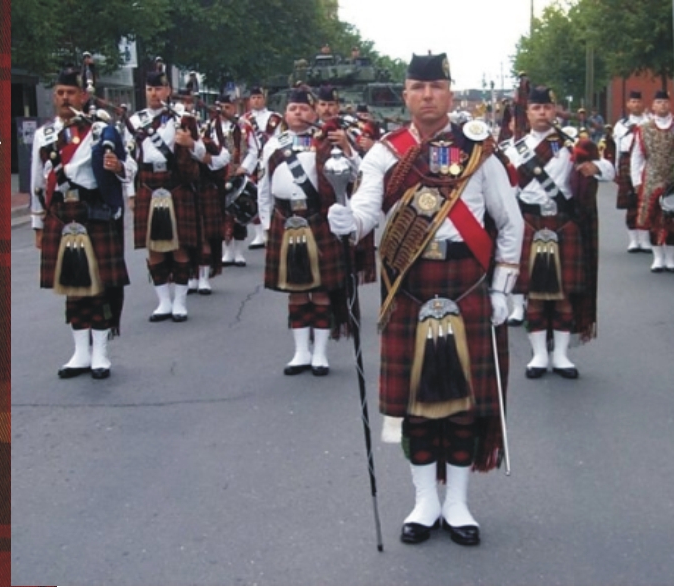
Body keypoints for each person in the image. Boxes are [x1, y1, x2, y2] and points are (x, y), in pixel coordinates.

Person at [327, 53, 523, 547]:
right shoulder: (385, 153)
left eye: (436, 86)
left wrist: (502, 289)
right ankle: (424, 501)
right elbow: (368, 207)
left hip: (468, 285)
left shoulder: (478, 150)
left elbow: (511, 223)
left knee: (464, 405)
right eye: (418, 86)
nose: (428, 95)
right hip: (407, 288)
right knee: (409, 406)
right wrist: (350, 221)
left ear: (450, 92)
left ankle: (457, 503)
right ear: (406, 94)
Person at [31, 67, 134, 380]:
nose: (64, 98)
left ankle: (101, 352)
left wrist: (118, 167)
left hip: (94, 213)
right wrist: (37, 224)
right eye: (60, 92)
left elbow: (130, 167)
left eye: (71, 93)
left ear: (83, 96)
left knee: (99, 287)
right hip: (61, 215)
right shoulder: (44, 135)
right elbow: (38, 181)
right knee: (73, 287)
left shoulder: (100, 129)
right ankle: (81, 353)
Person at [503, 85, 612, 379]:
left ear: (555, 111)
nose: (542, 113)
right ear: (527, 113)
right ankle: (539, 355)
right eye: (536, 108)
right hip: (529, 223)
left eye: (547, 108)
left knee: (563, 294)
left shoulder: (571, 144)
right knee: (534, 296)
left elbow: (610, 170)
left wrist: (594, 166)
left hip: (564, 223)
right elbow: (504, 193)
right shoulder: (512, 149)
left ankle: (561, 356)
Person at [257, 88, 358, 376]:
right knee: (296, 292)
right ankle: (301, 352)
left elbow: (354, 176)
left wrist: (348, 149)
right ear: (285, 114)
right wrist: (265, 225)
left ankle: (320, 354)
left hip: (318, 218)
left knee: (322, 291)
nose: (298, 113)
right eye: (292, 108)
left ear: (314, 113)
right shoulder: (272, 144)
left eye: (303, 108)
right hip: (284, 220)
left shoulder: (327, 140)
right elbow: (263, 188)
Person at [130, 67, 206, 323]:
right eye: (150, 89)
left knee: (179, 246)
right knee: (154, 247)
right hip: (148, 184)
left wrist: (190, 144)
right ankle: (163, 302)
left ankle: (180, 302)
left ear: (168, 90)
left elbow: (202, 152)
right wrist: (130, 193)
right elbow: (130, 162)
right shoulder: (135, 120)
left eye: (159, 89)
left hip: (175, 183)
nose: (154, 94)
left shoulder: (184, 118)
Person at [178, 88, 232, 295]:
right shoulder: (174, 126)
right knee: (190, 238)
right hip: (186, 190)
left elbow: (223, 156)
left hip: (207, 187)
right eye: (184, 102)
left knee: (207, 237)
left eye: (190, 102)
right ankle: (191, 276)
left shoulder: (208, 127)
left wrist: (206, 158)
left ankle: (203, 277)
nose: (187, 106)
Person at [629, 90, 674, 272]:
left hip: (673, 178)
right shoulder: (644, 129)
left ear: (670, 105)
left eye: (665, 102)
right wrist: (636, 180)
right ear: (653, 106)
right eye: (658, 102)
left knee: (672, 220)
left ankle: (671, 257)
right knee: (654, 220)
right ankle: (658, 257)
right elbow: (636, 156)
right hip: (651, 178)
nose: (662, 106)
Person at [216, 91, 257, 267]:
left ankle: (239, 251)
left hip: (238, 173)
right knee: (222, 215)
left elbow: (255, 149)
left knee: (239, 212)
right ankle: (228, 250)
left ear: (234, 108)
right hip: (219, 175)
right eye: (222, 107)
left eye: (228, 107)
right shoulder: (212, 126)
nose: (225, 111)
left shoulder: (243, 125)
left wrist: (245, 167)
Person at [242, 86, 285, 249]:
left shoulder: (275, 118)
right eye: (253, 98)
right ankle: (261, 232)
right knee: (259, 196)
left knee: (274, 194)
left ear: (264, 99)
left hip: (272, 159)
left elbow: (280, 139)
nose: (256, 100)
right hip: (254, 161)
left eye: (259, 97)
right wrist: (246, 166)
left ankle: (274, 227)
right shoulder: (244, 120)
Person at [612, 91, 648, 252]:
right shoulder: (621, 125)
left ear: (643, 104)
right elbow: (617, 148)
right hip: (626, 161)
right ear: (628, 104)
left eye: (638, 102)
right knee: (631, 202)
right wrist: (616, 169)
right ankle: (633, 240)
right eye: (633, 102)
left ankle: (645, 238)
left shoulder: (650, 122)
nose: (636, 105)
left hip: (646, 161)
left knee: (646, 201)